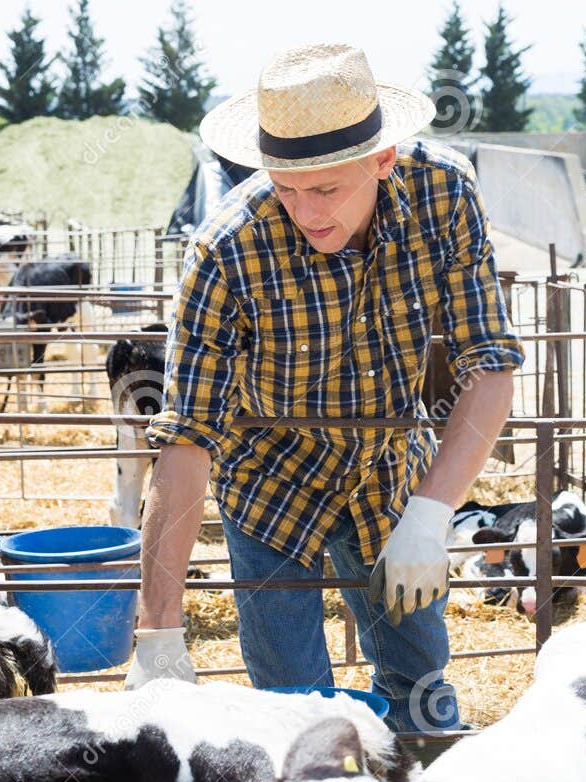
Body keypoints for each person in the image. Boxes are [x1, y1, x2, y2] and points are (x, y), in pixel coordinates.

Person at [124, 43, 521, 734]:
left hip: (388, 476)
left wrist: (432, 514)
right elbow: (187, 439)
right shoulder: (228, 250)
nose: (305, 211)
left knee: (420, 681)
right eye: (285, 187)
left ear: (382, 159)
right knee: (293, 711)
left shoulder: (445, 195)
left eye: (327, 188)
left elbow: (489, 361)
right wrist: (158, 633)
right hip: (271, 485)